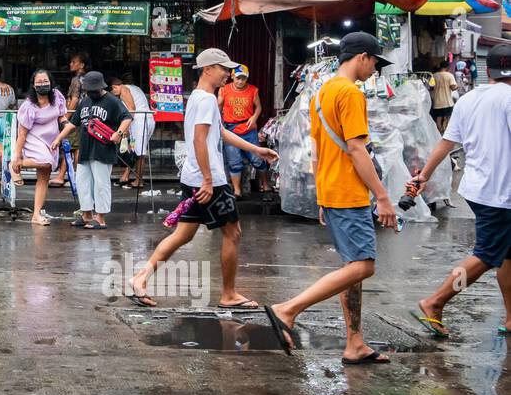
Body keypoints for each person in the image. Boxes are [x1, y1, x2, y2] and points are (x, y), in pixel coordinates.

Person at [264, 32, 398, 364]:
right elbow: (356, 149)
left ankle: (355, 343)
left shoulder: (321, 92)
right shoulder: (350, 93)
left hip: (332, 190)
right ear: (363, 57)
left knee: (352, 267)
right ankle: (287, 309)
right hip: (349, 192)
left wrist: (321, 196)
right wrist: (382, 197)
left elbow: (317, 151)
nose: (375, 71)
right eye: (375, 63)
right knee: (364, 266)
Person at [129, 49, 277, 310]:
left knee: (184, 234)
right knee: (233, 232)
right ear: (208, 69)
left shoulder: (199, 98)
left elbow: (218, 133)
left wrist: (256, 149)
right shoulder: (207, 100)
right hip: (209, 180)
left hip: (193, 176)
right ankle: (229, 294)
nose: (227, 74)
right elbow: (199, 139)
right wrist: (208, 180)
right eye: (223, 68)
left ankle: (140, 278)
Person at [408, 43, 511, 339]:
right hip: (500, 193)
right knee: (487, 255)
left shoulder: (469, 99)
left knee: (507, 255)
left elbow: (446, 141)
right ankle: (435, 301)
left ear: (488, 70)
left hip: (478, 190)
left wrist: (423, 175)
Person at [54, 71, 131, 229]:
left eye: (93, 90)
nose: (91, 93)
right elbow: (73, 124)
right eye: (89, 91)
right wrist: (58, 138)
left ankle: (101, 218)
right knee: (83, 183)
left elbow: (127, 117)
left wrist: (119, 133)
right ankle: (87, 214)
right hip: (86, 150)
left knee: (101, 184)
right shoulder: (85, 102)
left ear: (101, 88)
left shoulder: (111, 101)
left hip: (103, 149)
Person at [11, 68, 68, 226]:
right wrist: (17, 156)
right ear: (33, 85)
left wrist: (66, 124)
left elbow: (61, 114)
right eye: (39, 82)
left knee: (44, 178)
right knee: (46, 162)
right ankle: (16, 164)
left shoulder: (57, 96)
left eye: (45, 81)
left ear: (50, 82)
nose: (43, 84)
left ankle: (36, 214)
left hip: (51, 140)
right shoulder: (29, 106)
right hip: (34, 140)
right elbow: (22, 134)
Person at [218, 64, 270, 196]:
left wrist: (254, 117)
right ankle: (237, 191)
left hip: (248, 129)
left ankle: (265, 184)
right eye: (238, 78)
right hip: (230, 129)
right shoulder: (224, 89)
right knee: (234, 161)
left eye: (243, 79)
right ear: (233, 77)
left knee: (257, 159)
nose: (240, 81)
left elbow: (258, 107)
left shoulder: (253, 90)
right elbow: (218, 106)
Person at [111, 75, 154, 189]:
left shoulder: (124, 89)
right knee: (134, 149)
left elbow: (131, 109)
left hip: (139, 122)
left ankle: (138, 181)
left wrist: (122, 130)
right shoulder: (135, 88)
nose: (113, 92)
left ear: (116, 86)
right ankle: (126, 176)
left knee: (139, 153)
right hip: (145, 120)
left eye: (113, 89)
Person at [56, 51, 88, 187]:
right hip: (85, 116)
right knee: (77, 148)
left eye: (73, 62)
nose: (70, 64)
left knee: (70, 147)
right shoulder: (87, 79)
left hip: (75, 117)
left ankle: (63, 177)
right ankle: (74, 176)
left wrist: (66, 118)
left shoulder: (76, 80)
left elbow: (74, 99)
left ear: (81, 65)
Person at [429, 62, 459, 134]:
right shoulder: (449, 75)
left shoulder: (434, 76)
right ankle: (446, 133)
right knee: (448, 118)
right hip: (448, 102)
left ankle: (439, 133)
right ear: (447, 67)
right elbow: (453, 87)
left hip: (437, 102)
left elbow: (431, 87)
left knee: (438, 119)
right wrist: (457, 86)